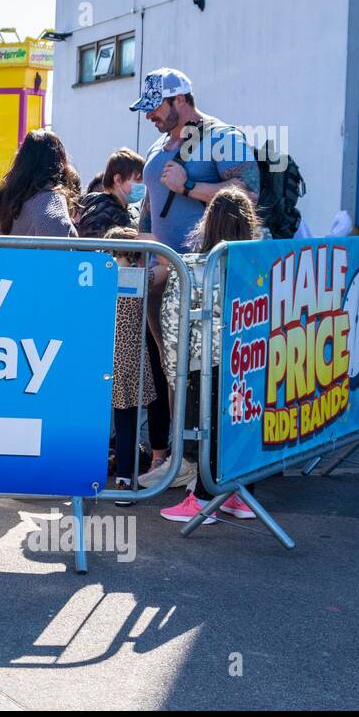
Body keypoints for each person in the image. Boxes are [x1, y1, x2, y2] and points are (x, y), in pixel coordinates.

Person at [150, 187, 260, 523]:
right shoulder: (259, 264)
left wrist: (174, 373)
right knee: (239, 428)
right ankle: (241, 496)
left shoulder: (194, 268)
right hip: (247, 362)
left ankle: (201, 499)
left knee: (203, 430)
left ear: (208, 222)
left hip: (201, 366)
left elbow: (171, 322)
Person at [130, 68, 259, 254]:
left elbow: (249, 193)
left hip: (202, 268)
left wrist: (188, 186)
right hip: (159, 268)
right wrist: (141, 253)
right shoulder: (157, 146)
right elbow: (149, 206)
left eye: (155, 107)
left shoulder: (222, 137)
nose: (148, 115)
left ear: (180, 100)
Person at [101, 227, 169, 504]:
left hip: (100, 356)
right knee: (126, 421)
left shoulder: (99, 277)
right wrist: (152, 240)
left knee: (97, 420)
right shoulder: (142, 277)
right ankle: (124, 483)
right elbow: (168, 263)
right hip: (131, 358)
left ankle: (88, 474)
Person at [0, 129, 80, 238]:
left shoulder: (7, 197)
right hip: (44, 255)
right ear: (59, 161)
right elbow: (54, 225)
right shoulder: (52, 198)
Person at [77, 148, 144, 239]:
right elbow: (89, 248)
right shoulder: (98, 210)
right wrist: (114, 237)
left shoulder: (132, 210)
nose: (143, 184)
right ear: (118, 180)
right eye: (138, 179)